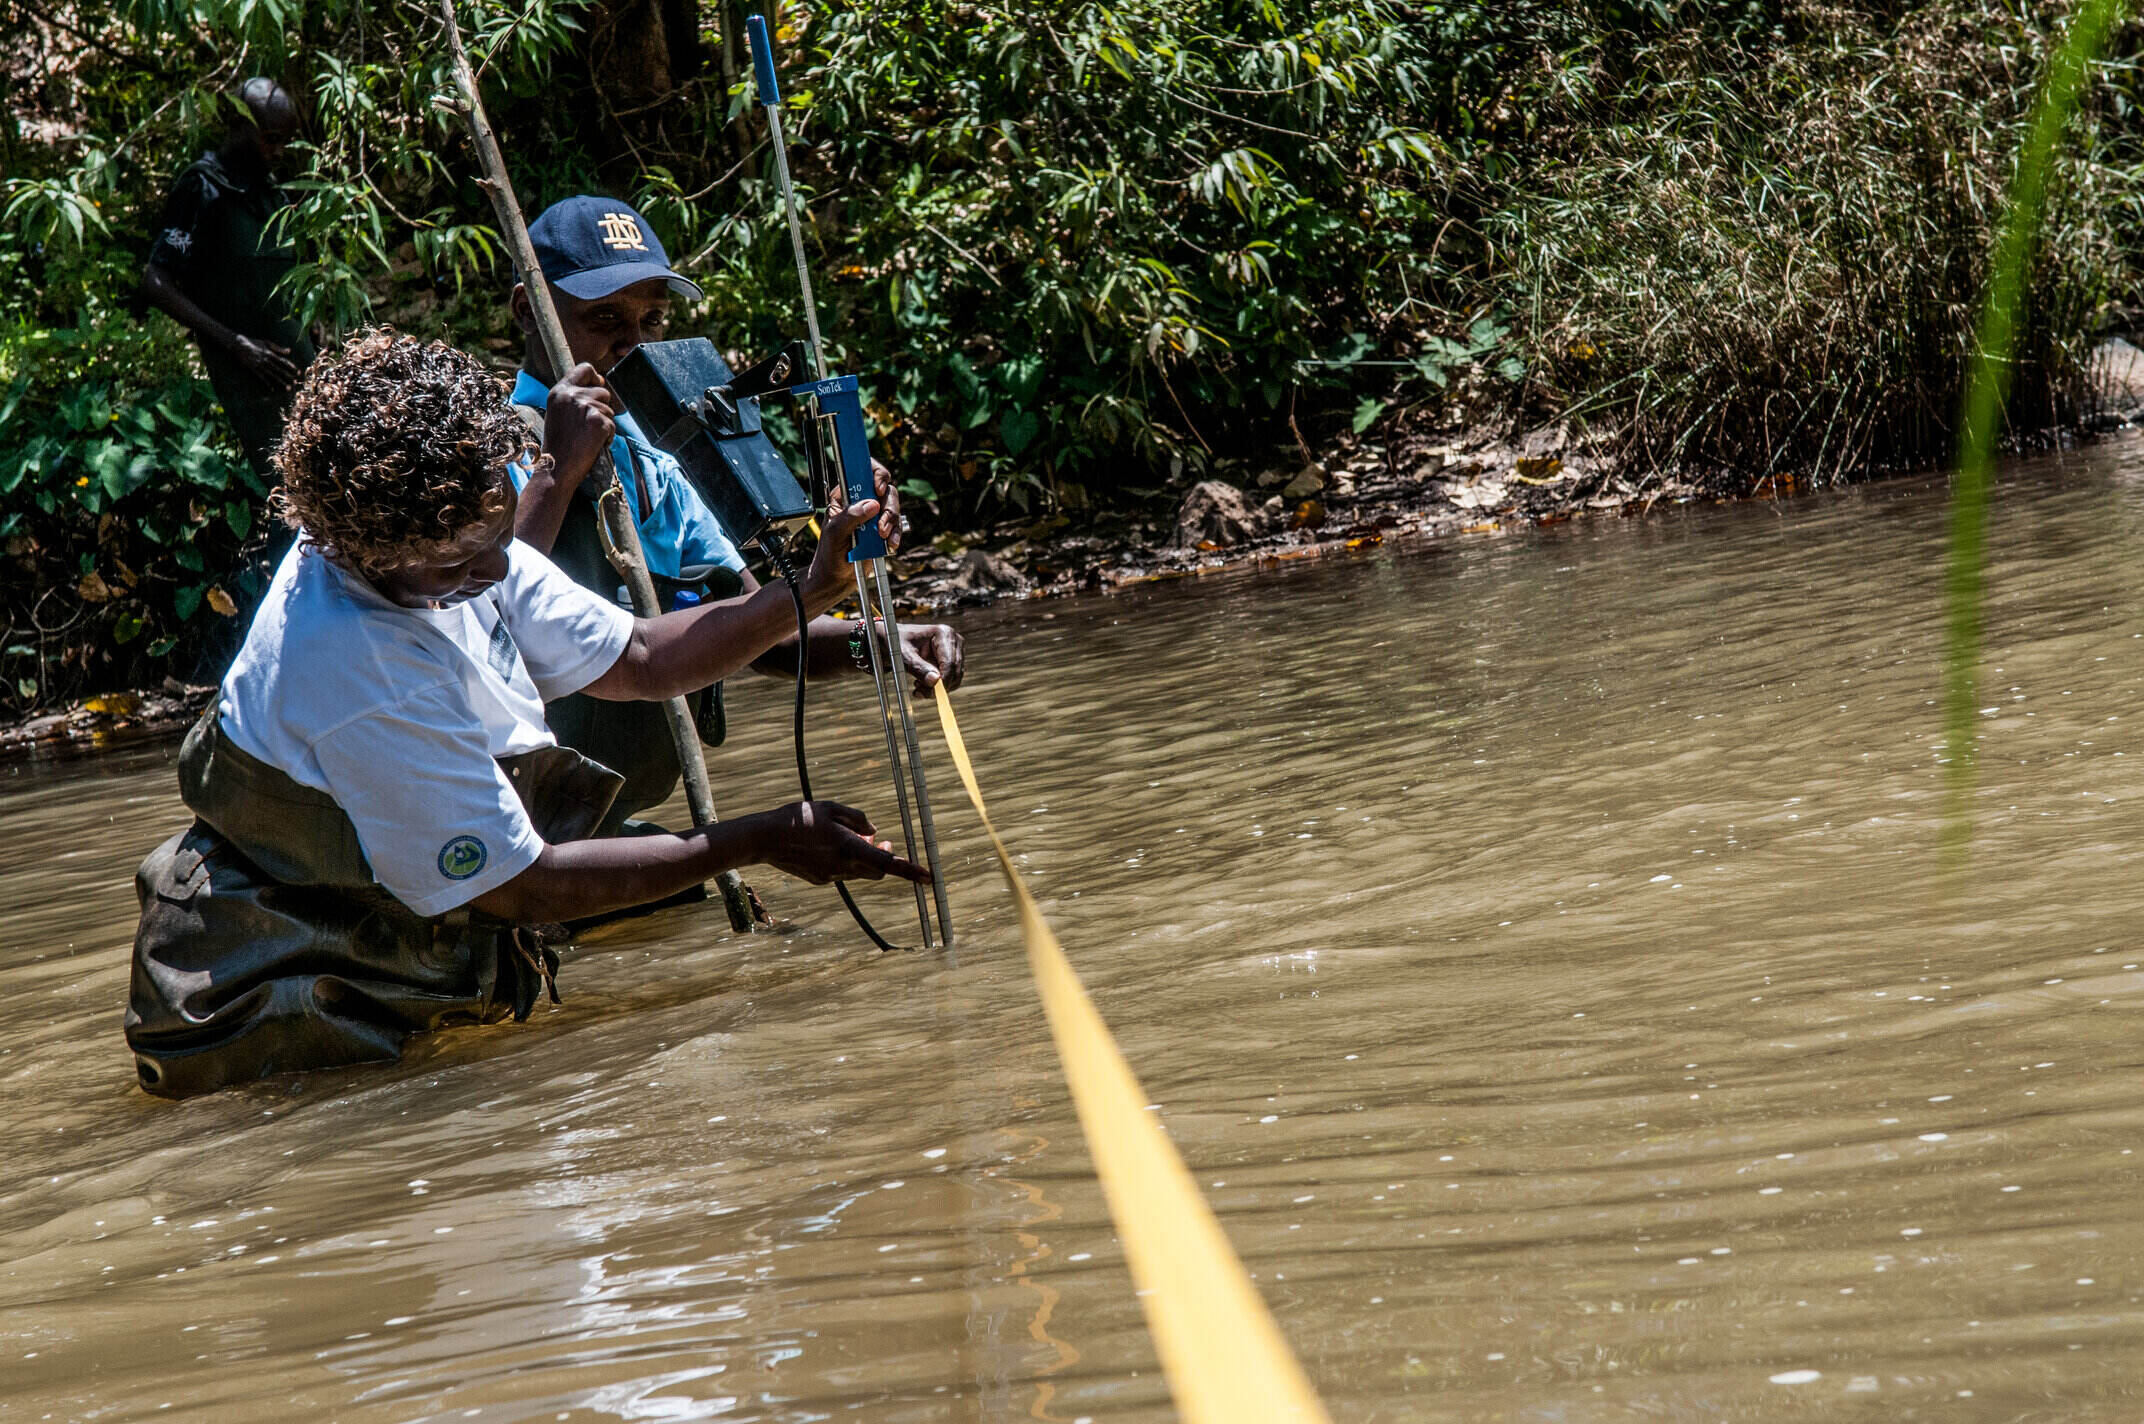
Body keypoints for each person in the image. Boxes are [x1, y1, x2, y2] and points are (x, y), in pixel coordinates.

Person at [125, 329, 949, 1099]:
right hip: (269, 1002)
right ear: (364, 552)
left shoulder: (445, 539)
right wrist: (760, 838)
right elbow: (524, 889)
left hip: (384, 946)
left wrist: (814, 589)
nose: (499, 566)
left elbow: (642, 658)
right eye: (460, 560)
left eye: (496, 532)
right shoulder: (355, 666)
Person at [506, 195, 957, 834]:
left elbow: (755, 629)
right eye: (603, 317)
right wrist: (557, 470)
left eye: (650, 321)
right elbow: (483, 629)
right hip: (515, 834)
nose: (629, 345)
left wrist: (878, 641)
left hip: (609, 823)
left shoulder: (652, 456)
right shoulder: (494, 443)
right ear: (528, 308)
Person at [139, 77, 314, 477]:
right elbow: (156, 281)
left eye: (284, 141)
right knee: (286, 490)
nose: (278, 152)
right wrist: (238, 346)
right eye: (269, 139)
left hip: (300, 370)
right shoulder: (202, 188)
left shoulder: (270, 192)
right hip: (253, 381)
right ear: (238, 125)